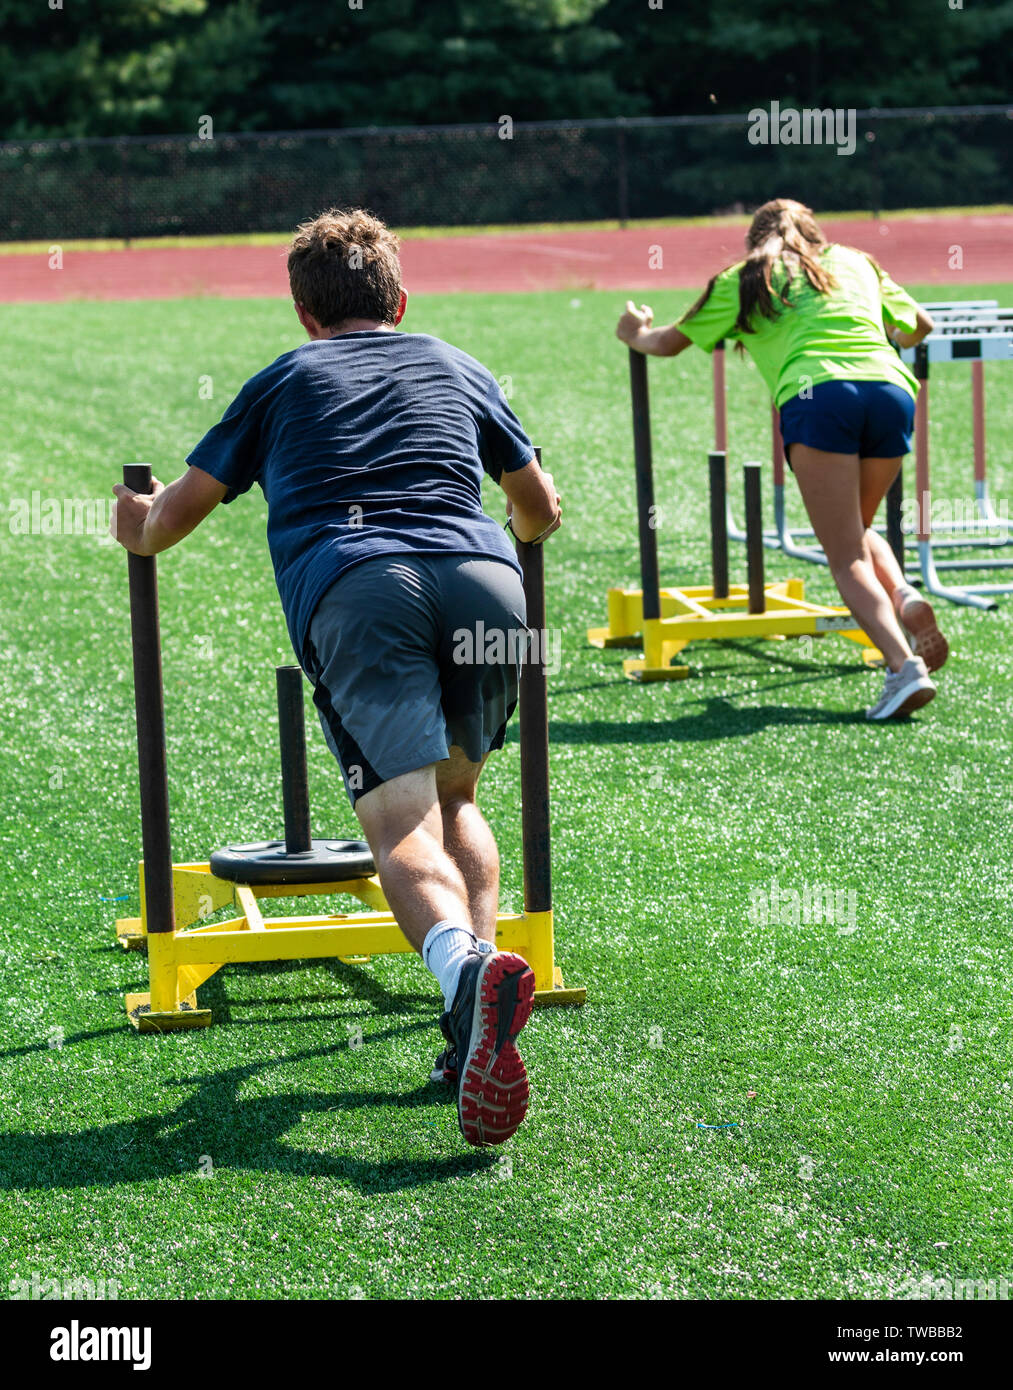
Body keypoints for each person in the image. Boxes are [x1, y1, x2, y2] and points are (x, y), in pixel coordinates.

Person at [110, 207, 561, 1148]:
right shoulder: (455, 362)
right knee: (457, 798)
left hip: (363, 586)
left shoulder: (285, 376)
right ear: (399, 299)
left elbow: (173, 518)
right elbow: (539, 508)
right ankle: (464, 1022)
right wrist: (509, 547)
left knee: (400, 823)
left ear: (303, 314)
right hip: (485, 580)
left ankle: (463, 972)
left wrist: (135, 522)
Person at [616, 197, 947, 721]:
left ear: (754, 238)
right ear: (814, 233)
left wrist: (633, 330)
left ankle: (904, 667)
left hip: (820, 397)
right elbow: (921, 324)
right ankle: (903, 595)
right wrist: (890, 339)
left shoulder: (746, 277)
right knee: (856, 529)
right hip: (891, 389)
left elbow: (666, 342)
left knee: (845, 557)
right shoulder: (855, 260)